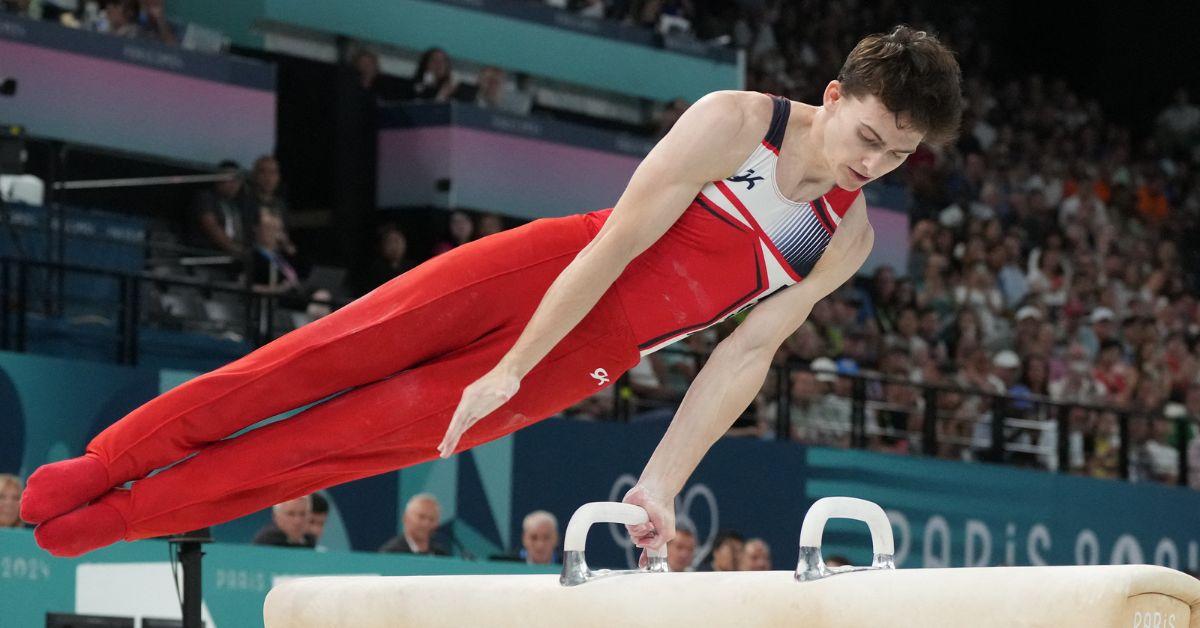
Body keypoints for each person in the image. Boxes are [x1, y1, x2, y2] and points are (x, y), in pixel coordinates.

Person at [20, 25, 961, 557]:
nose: (874, 163)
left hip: (587, 357)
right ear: (835, 97)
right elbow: (622, 240)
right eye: (871, 135)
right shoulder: (737, 122)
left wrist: (661, 486)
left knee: (332, 448)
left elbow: (743, 354)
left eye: (901, 154)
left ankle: (116, 518)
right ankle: (103, 467)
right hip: (538, 273)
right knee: (304, 362)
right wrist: (512, 365)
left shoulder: (840, 236)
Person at [379, 494, 449, 555]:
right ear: (405, 518)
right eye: (421, 517)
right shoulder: (391, 553)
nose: (426, 524)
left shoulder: (440, 554)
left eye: (432, 519)